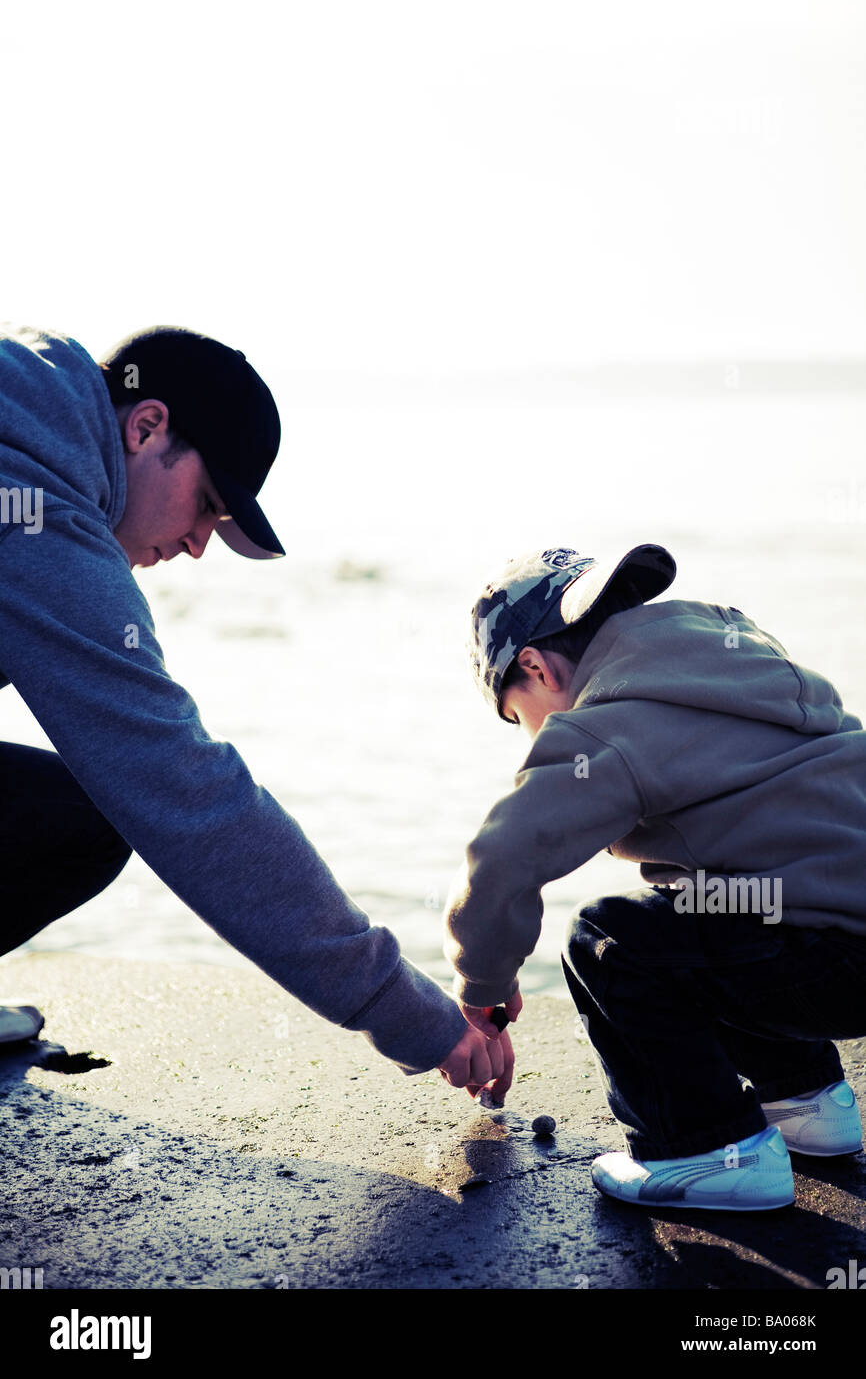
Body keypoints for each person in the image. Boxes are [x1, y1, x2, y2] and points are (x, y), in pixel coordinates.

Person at [0, 323, 512, 1102]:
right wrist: (409, 1014)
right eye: (206, 505)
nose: (200, 544)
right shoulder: (36, 513)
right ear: (146, 428)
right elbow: (185, 793)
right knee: (100, 815)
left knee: (77, 815)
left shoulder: (29, 424)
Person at [443, 542, 866, 1209]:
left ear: (532, 665)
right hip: (840, 941)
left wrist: (481, 992)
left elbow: (503, 861)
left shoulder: (609, 722)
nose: (532, 739)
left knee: (607, 942)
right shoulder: (740, 658)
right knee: (712, 903)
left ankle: (702, 1150)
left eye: (518, 717)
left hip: (832, 962)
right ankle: (809, 1100)